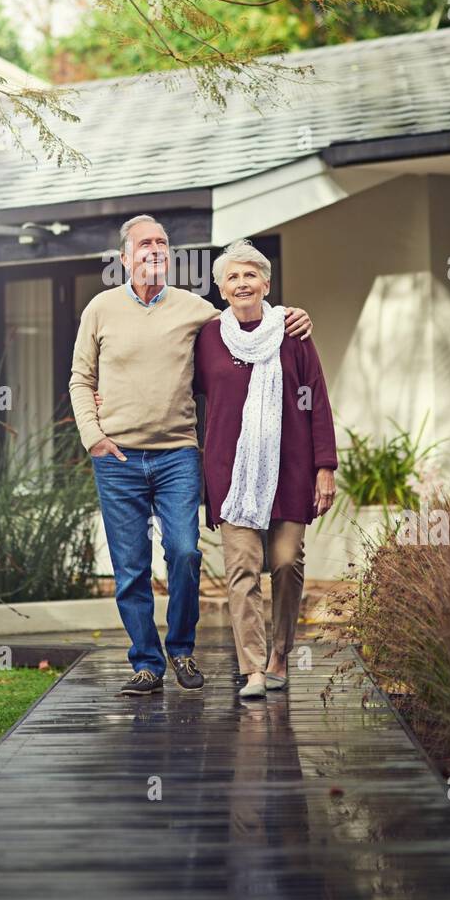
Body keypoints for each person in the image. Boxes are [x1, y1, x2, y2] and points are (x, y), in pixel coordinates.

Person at [69, 215, 313, 696]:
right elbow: (81, 378)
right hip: (116, 458)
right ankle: (146, 662)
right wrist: (92, 434)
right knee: (131, 567)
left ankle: (181, 650)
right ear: (125, 258)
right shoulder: (99, 309)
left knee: (183, 553)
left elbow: (248, 317)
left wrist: (293, 316)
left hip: (178, 453)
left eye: (162, 242)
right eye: (144, 244)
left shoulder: (196, 310)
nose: (154, 249)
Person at [193, 239, 338, 699]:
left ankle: (281, 654)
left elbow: (316, 398)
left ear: (266, 284)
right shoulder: (209, 339)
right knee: (242, 569)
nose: (242, 283)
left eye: (250, 275)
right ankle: (253, 669)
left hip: (290, 471)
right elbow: (177, 392)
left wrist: (325, 466)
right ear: (220, 288)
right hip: (230, 475)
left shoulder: (292, 334)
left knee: (286, 563)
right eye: (232, 277)